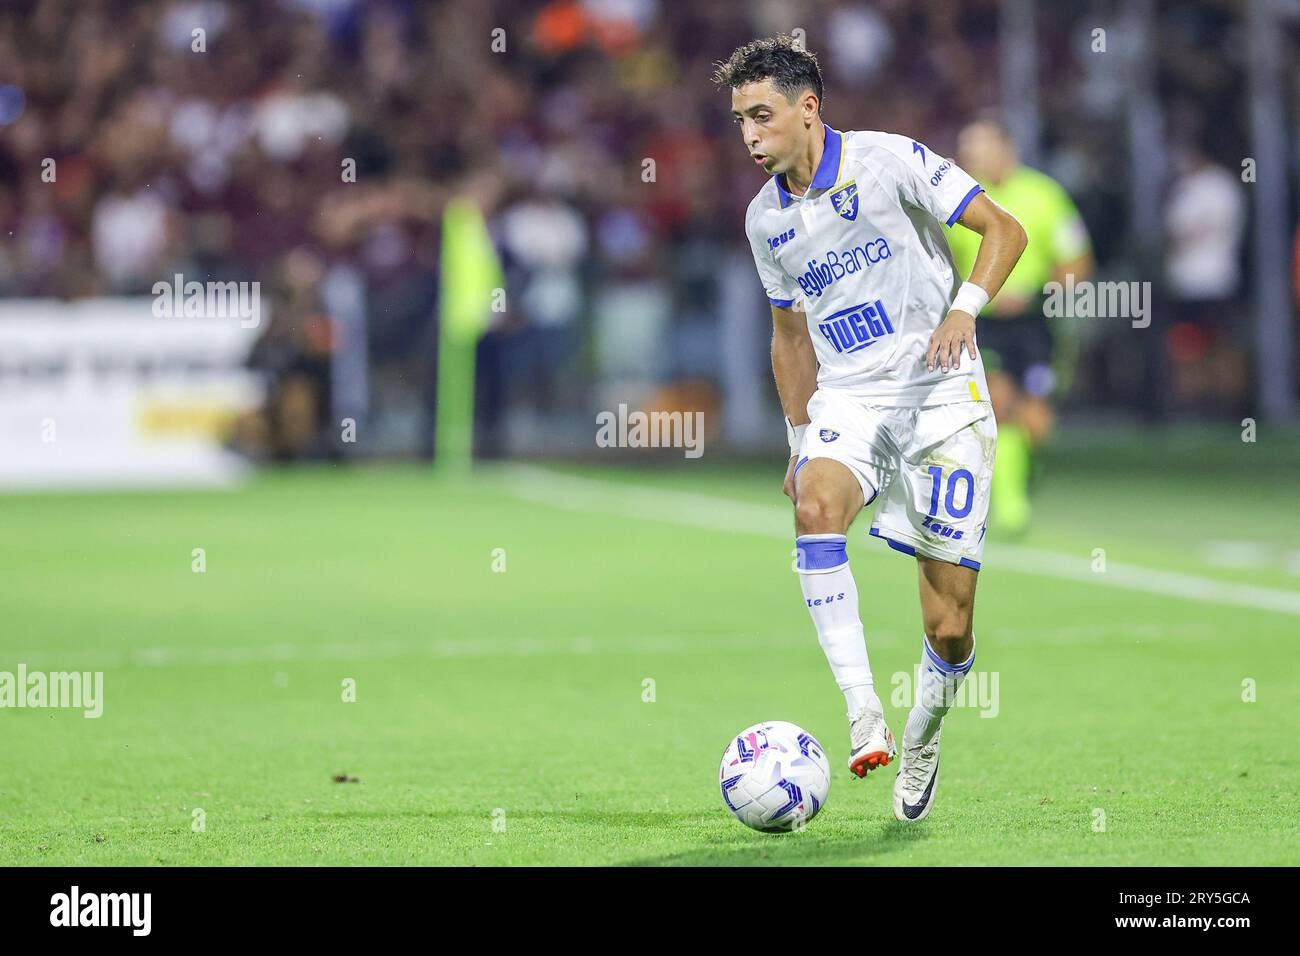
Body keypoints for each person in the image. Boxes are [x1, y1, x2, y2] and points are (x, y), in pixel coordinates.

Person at [714, 36, 1027, 821]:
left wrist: (964, 310)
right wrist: (797, 441)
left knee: (950, 628)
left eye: (762, 116)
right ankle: (863, 711)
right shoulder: (765, 221)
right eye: (739, 121)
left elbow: (1005, 231)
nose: (749, 136)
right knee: (814, 509)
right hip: (850, 402)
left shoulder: (889, 161)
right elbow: (789, 338)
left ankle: (924, 731)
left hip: (941, 400)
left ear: (808, 108)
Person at [947, 119, 1093, 534]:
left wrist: (1042, 295)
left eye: (978, 146)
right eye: (966, 147)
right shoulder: (957, 197)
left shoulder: (1044, 194)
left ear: (1005, 149)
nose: (970, 155)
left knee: (1036, 417)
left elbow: (1076, 259)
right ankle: (1010, 506)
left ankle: (1023, 473)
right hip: (983, 320)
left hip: (1034, 321)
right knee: (998, 403)